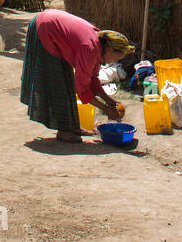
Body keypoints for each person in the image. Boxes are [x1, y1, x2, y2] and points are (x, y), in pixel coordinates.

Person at [20, 8, 134, 143]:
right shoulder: (89, 48)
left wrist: (108, 100)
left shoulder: (99, 47)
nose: (115, 61)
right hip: (45, 29)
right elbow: (82, 89)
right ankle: (64, 131)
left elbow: (92, 79)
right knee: (59, 83)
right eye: (116, 58)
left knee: (66, 81)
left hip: (51, 25)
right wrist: (105, 109)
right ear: (109, 49)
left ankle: (72, 127)